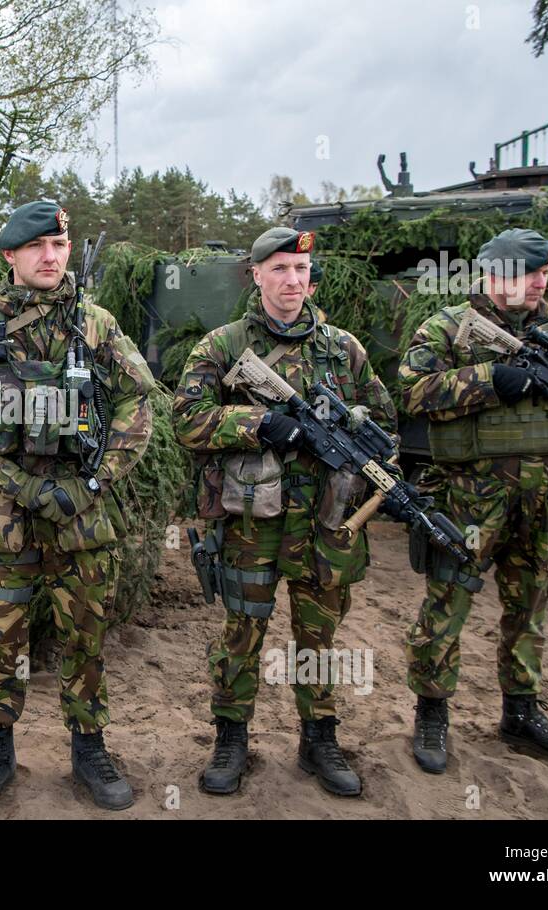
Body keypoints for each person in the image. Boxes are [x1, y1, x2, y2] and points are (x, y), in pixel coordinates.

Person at [0, 200, 156, 818]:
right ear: (11, 256)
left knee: (87, 639)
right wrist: (16, 485)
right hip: (5, 519)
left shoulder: (98, 326)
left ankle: (90, 752)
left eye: (59, 246)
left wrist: (96, 480)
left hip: (82, 518)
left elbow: (140, 406)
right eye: (37, 248)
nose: (51, 258)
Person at [172, 227, 396, 797]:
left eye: (300, 270)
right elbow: (186, 420)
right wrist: (259, 424)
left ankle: (319, 737)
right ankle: (231, 738)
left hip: (325, 524)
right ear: (256, 275)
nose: (292, 280)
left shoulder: (343, 350)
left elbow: (387, 424)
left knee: (317, 638)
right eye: (278, 269)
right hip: (251, 524)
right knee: (242, 631)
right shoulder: (221, 348)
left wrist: (361, 429)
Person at [399, 228, 548, 773]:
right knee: (446, 609)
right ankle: (432, 714)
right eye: (529, 273)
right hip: (469, 502)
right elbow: (413, 393)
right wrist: (491, 379)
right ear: (494, 276)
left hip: (545, 502)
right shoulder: (447, 328)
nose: (541, 281)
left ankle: (521, 713)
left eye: (543, 273)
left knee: (530, 612)